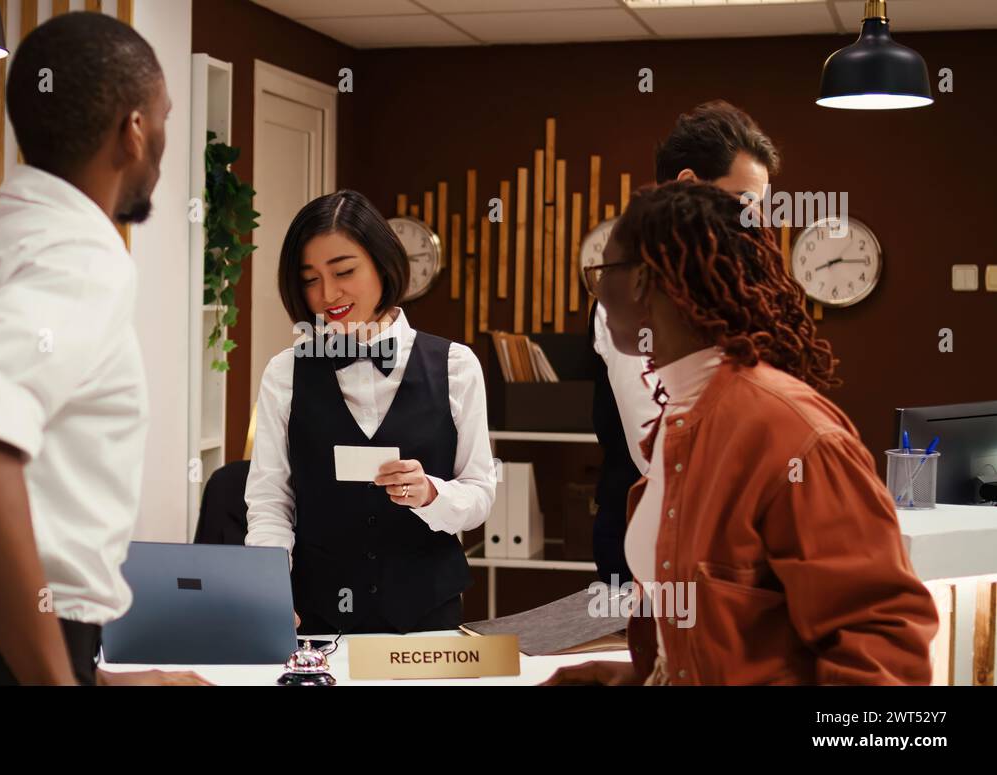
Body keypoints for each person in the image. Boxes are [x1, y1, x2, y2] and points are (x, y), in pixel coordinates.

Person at [0, 12, 205, 686]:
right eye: (164, 118)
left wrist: (98, 680)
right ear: (135, 130)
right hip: (6, 658)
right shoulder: (81, 256)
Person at [548, 181, 937, 685]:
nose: (596, 292)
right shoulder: (681, 421)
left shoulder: (790, 431)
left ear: (644, 281)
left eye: (603, 273)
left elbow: (886, 652)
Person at [244, 190, 497, 635]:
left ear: (383, 263)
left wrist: (432, 494)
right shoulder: (284, 374)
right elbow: (270, 503)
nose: (327, 294)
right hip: (317, 622)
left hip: (427, 623)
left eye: (343, 271)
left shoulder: (457, 366)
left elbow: (479, 492)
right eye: (310, 279)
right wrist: (268, 591)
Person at [590, 100, 781, 587]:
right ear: (689, 186)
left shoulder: (732, 293)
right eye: (743, 204)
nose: (753, 225)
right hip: (652, 543)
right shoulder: (636, 299)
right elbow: (658, 442)